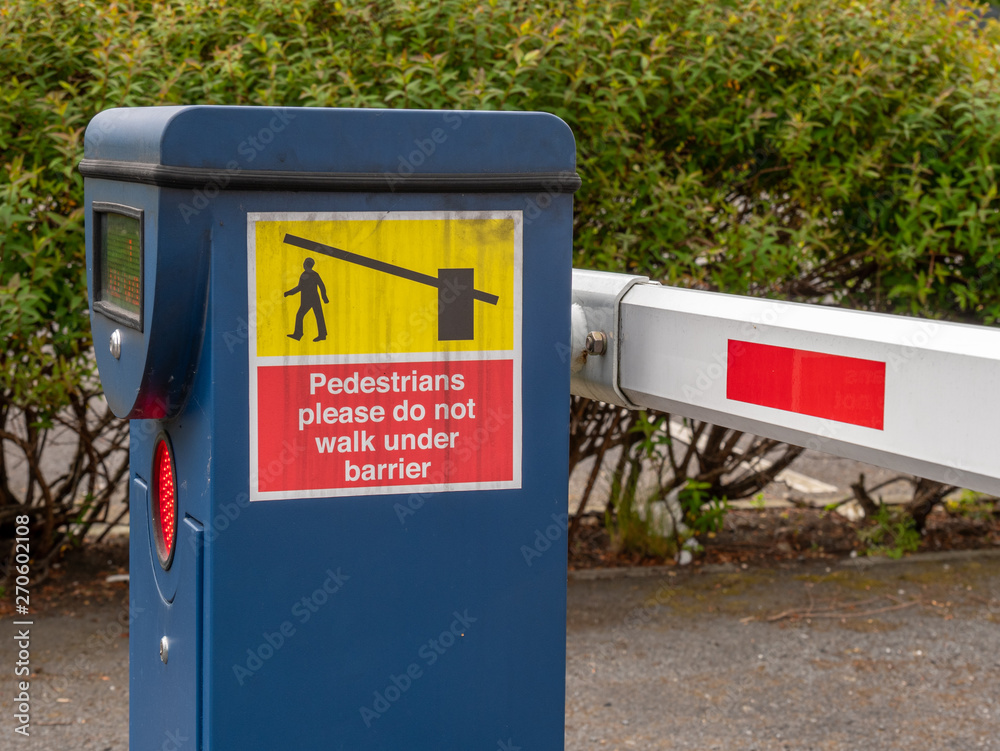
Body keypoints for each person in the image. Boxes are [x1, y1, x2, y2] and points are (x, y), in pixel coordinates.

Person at [284, 257, 329, 342]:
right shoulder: (315, 274)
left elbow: (299, 288)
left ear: (305, 265)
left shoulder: (304, 275)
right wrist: (324, 297)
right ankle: (322, 335)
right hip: (315, 299)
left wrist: (288, 293)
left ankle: (298, 334)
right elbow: (322, 286)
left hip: (307, 300)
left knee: (300, 315)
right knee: (319, 316)